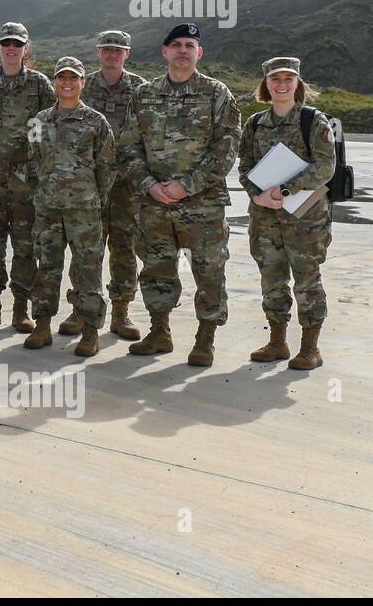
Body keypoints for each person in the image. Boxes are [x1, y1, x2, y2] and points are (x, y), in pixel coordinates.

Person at [120, 22, 241, 366]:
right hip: (154, 204)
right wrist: (150, 186)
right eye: (176, 45)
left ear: (199, 53)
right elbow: (128, 148)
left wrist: (186, 185)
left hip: (203, 204)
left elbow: (226, 149)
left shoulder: (217, 94)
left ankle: (205, 340)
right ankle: (160, 333)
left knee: (209, 272)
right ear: (165, 52)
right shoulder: (144, 95)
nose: (183, 50)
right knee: (156, 269)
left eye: (190, 45)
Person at [240, 57, 335, 370]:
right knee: (272, 280)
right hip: (265, 218)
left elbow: (325, 167)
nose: (281, 84)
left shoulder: (313, 120)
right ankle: (277, 342)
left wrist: (284, 189)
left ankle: (310, 348)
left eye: (288, 79)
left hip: (305, 218)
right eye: (275, 78)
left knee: (307, 280)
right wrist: (258, 196)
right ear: (266, 84)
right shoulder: (254, 124)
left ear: (298, 83)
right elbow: (245, 167)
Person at [57, 30, 148, 340]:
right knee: (85, 249)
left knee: (124, 248)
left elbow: (150, 134)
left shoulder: (140, 89)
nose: (112, 54)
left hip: (126, 185)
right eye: (107, 49)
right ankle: (80, 309)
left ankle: (121, 312)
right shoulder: (84, 85)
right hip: (89, 184)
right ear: (98, 52)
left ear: (127, 54)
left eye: (118, 50)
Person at [0, 22, 55, 332]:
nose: (11, 48)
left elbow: (48, 127)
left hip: (26, 180)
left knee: (25, 245)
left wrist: (34, 165)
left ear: (25, 47)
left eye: (17, 43)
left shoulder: (40, 85)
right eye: (6, 43)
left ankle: (20, 307)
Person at [25, 57, 116, 355]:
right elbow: (33, 160)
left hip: (84, 210)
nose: (67, 83)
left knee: (88, 269)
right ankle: (42, 325)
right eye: (61, 77)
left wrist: (93, 198)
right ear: (54, 83)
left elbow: (106, 167)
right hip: (48, 208)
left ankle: (90, 331)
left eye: (73, 78)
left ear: (82, 83)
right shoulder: (38, 121)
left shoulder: (96, 121)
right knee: (47, 267)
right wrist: (42, 192)